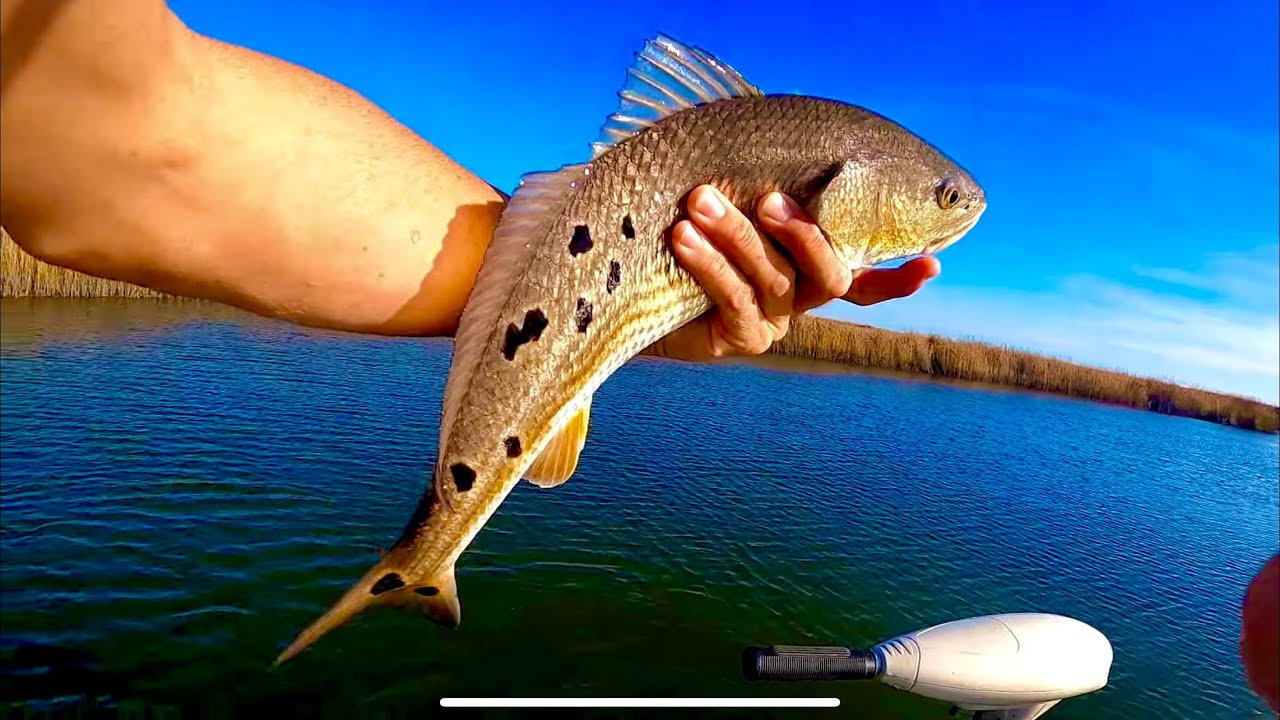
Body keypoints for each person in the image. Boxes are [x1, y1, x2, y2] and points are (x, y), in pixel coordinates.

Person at [1, 2, 1275, 714]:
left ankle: (421, 558)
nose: (958, 209)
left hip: (589, 285)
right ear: (847, 192)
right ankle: (420, 560)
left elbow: (134, 134)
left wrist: (642, 304)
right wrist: (593, 276)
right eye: (936, 197)